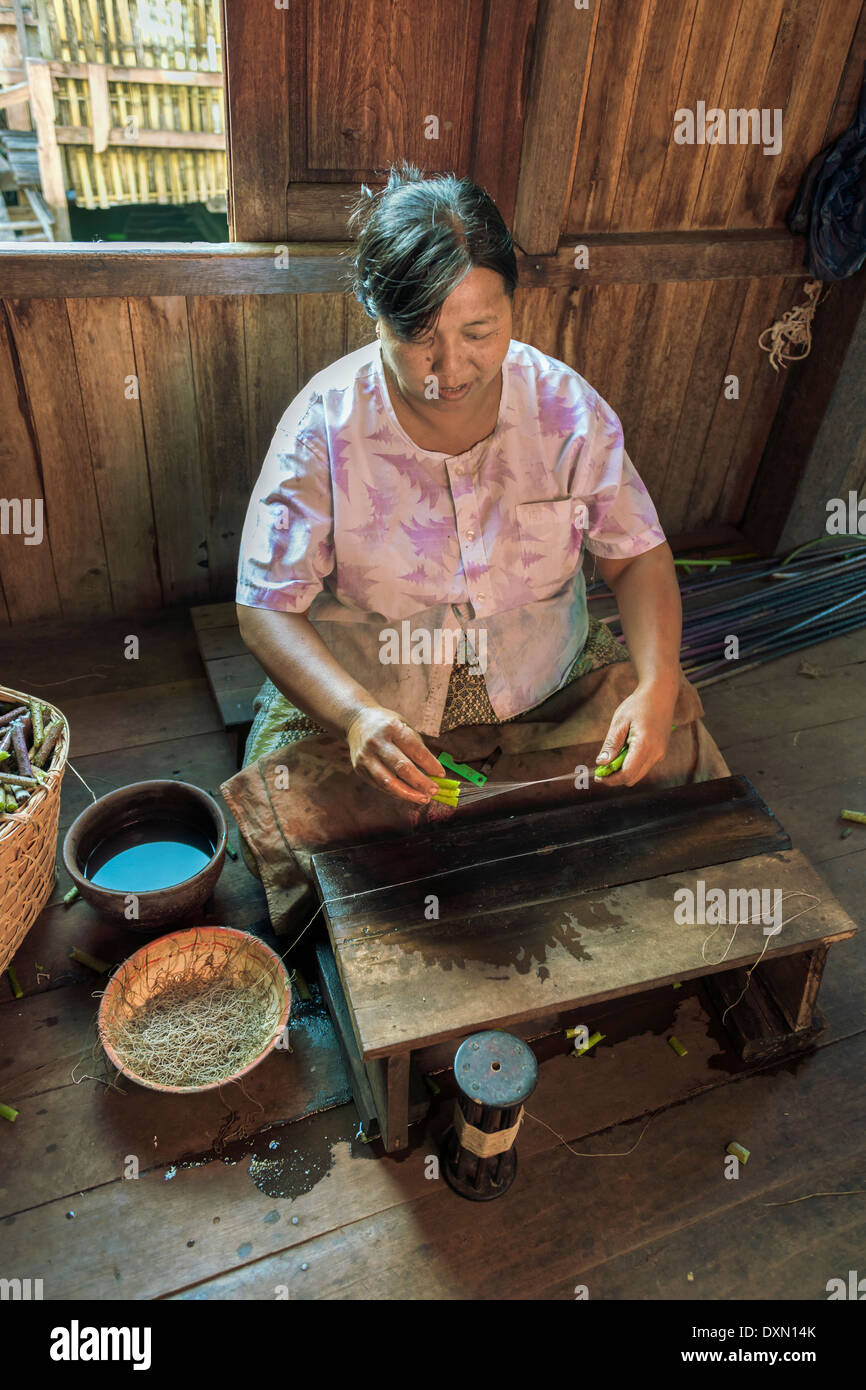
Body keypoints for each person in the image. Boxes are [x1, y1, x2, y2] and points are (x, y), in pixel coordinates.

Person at [225, 162, 729, 928]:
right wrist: (356, 717)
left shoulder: (566, 411)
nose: (451, 369)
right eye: (418, 337)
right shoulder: (323, 428)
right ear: (373, 314)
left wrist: (656, 684)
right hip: (379, 702)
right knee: (304, 836)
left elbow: (636, 555)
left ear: (512, 308)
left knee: (674, 775)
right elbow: (265, 609)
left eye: (479, 332)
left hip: (543, 679)